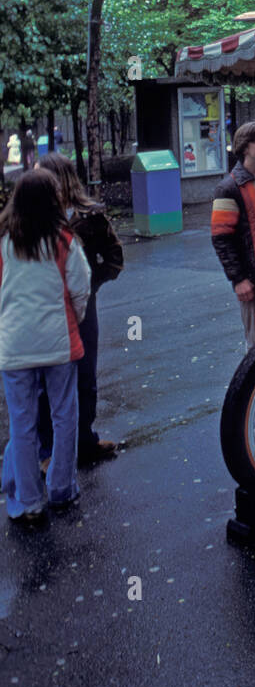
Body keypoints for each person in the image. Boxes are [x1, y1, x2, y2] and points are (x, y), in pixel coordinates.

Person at [0, 169, 90, 525]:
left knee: (22, 424)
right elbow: (80, 290)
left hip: (14, 346)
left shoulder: (4, 241)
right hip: (58, 342)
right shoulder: (64, 240)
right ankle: (62, 488)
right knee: (64, 415)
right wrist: (75, 319)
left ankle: (29, 501)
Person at [36, 154, 124, 466]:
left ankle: (85, 440)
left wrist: (91, 284)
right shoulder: (34, 218)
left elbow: (114, 257)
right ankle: (48, 450)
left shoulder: (91, 216)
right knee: (46, 381)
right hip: (46, 309)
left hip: (84, 308)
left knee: (85, 375)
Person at [211, 123, 255, 349]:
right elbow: (221, 238)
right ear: (244, 147)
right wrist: (238, 279)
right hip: (254, 282)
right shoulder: (229, 188)